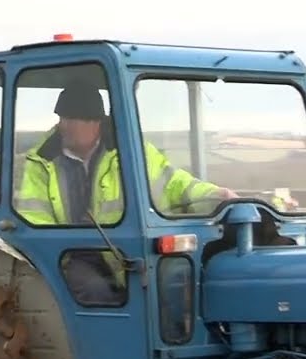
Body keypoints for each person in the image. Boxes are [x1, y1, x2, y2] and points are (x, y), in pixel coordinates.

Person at [15, 83, 237, 305]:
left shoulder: (132, 151)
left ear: (95, 123)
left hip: (127, 250)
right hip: (75, 254)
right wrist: (56, 250)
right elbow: (33, 217)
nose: (63, 126)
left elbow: (176, 185)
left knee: (185, 283)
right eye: (61, 118)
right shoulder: (42, 161)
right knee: (95, 289)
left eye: (71, 119)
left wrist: (216, 197)